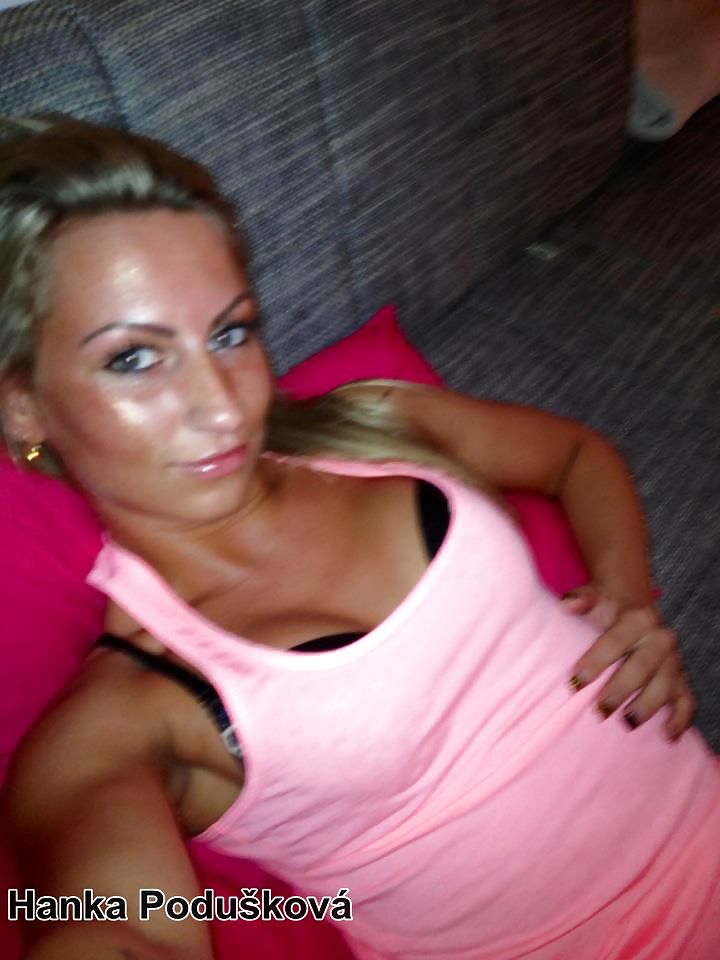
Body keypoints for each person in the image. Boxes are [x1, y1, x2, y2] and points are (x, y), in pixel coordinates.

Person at [0, 115, 716, 960]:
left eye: (230, 334)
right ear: (23, 406)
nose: (224, 406)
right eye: (134, 359)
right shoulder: (127, 714)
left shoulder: (366, 425)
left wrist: (629, 600)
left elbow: (575, 456)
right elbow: (117, 927)